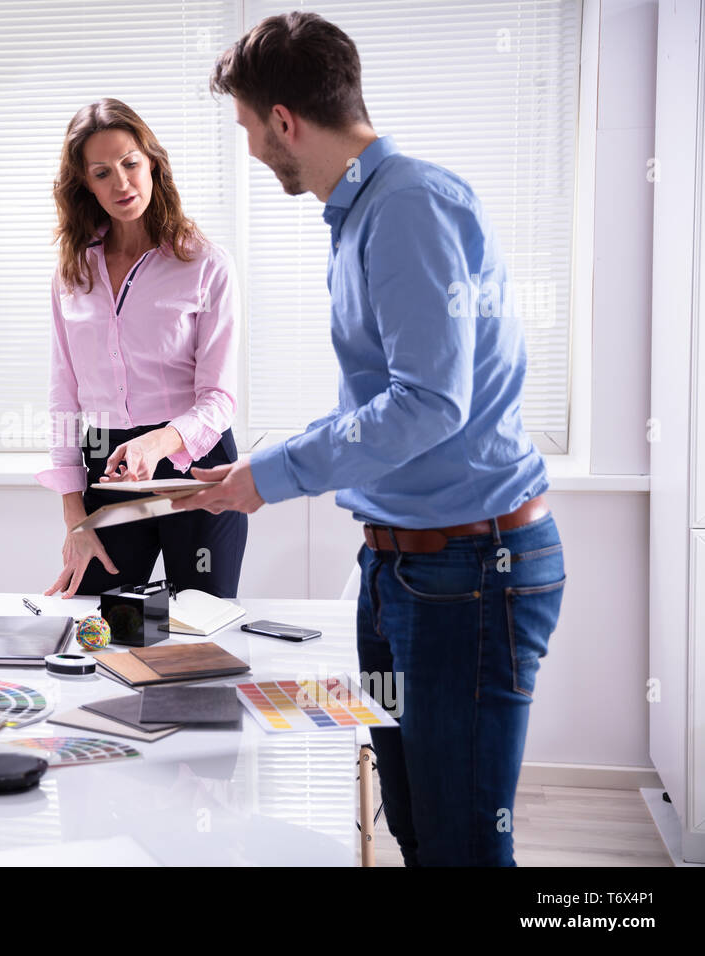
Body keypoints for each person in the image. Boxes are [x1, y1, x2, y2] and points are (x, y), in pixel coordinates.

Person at [190, 12, 565, 865]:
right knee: (415, 825)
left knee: (460, 844)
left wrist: (274, 475)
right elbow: (383, 398)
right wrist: (261, 467)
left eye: (248, 126)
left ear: (284, 120)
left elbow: (429, 403)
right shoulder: (366, 212)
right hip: (403, 570)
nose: (250, 148)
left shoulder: (407, 206)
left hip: (468, 576)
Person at [39, 98, 245, 600]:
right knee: (98, 628)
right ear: (85, 183)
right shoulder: (73, 273)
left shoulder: (206, 265)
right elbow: (65, 398)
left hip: (194, 470)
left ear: (152, 162)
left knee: (196, 633)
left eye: (131, 163)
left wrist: (157, 443)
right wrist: (74, 513)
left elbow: (218, 398)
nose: (122, 183)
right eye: (102, 172)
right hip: (106, 463)